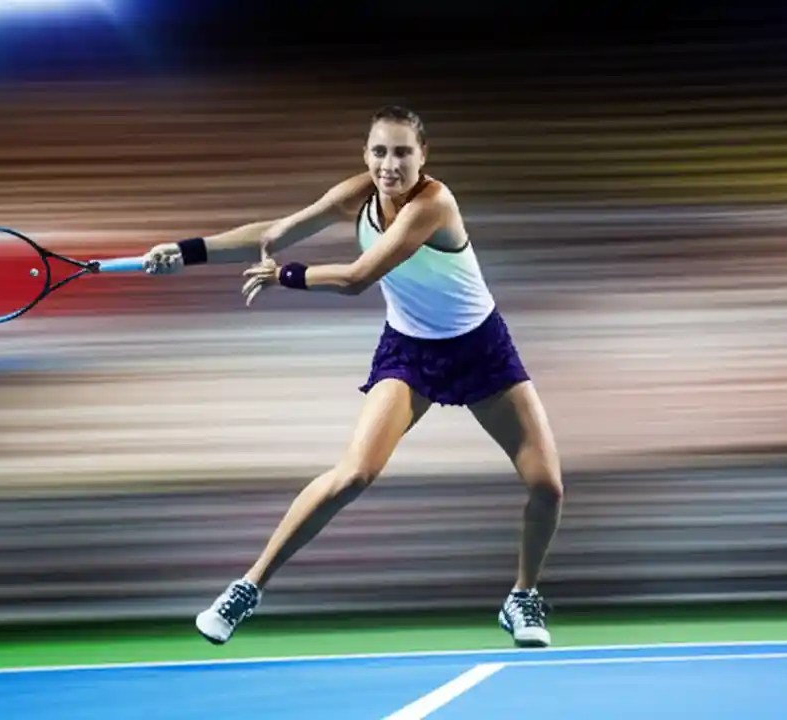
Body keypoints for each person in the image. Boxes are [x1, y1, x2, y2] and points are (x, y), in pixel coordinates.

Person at [141, 105, 564, 648]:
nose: (390, 164)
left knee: (547, 486)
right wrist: (185, 252)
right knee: (354, 473)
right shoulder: (356, 195)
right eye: (380, 152)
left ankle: (522, 597)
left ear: (423, 156)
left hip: (480, 349)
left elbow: (359, 277)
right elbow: (271, 235)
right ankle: (247, 587)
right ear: (367, 155)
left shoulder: (433, 204)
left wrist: (287, 277)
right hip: (409, 351)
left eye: (403, 152)